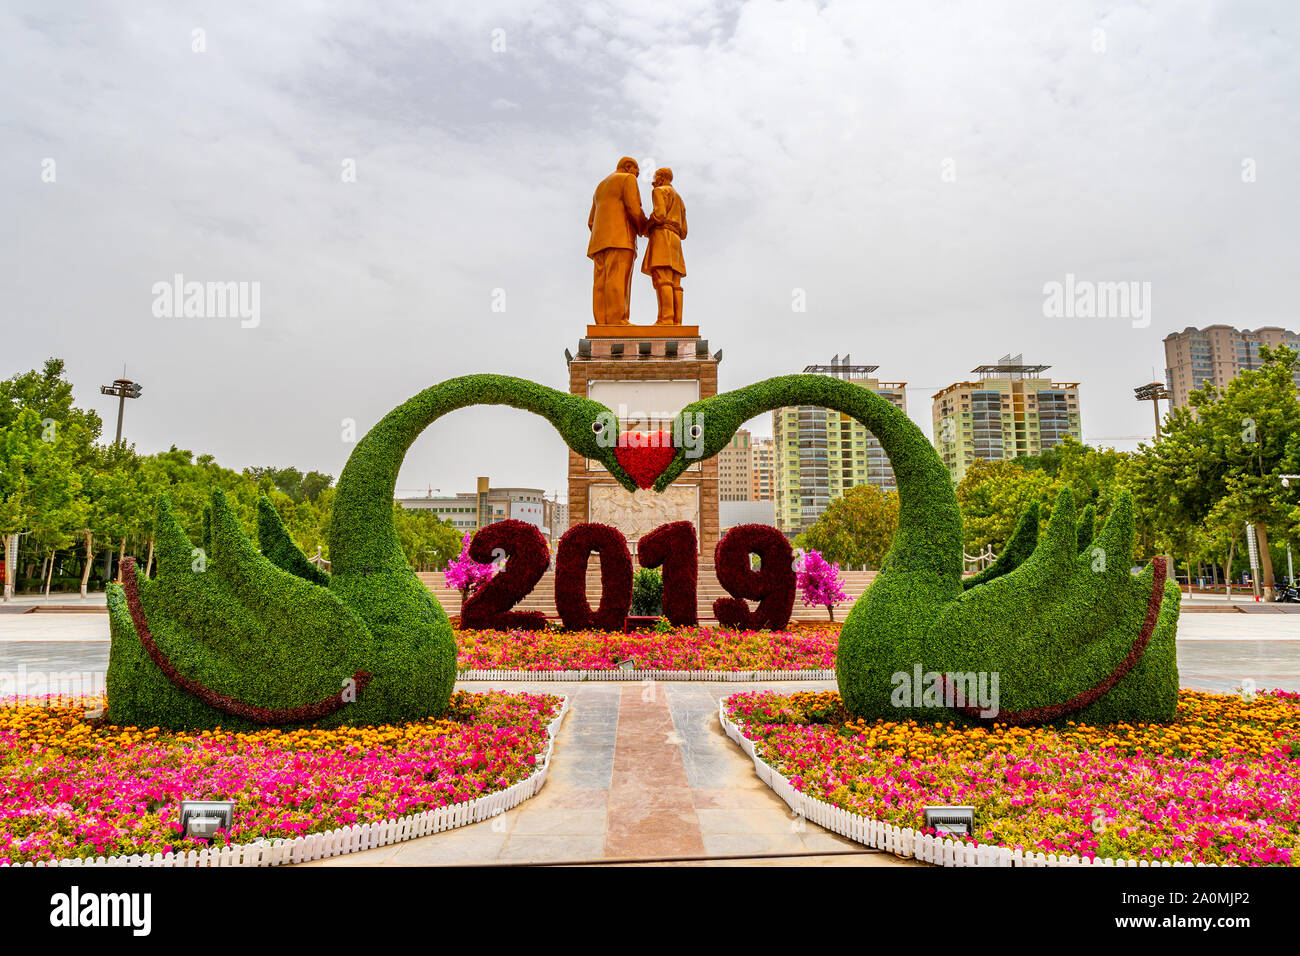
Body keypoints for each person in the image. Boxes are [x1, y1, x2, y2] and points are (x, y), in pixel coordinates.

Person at [587, 157, 646, 325]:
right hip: (620, 238)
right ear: (629, 167)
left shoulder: (600, 187)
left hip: (598, 242)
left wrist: (602, 234)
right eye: (636, 172)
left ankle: (602, 323)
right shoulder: (627, 178)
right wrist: (644, 228)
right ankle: (617, 321)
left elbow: (591, 221)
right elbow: (633, 208)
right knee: (617, 279)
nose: (637, 175)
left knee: (600, 284)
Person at [640, 167, 687, 325]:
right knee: (676, 283)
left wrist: (647, 226)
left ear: (661, 177)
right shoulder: (680, 200)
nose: (654, 180)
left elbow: (659, 214)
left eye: (655, 177)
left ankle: (665, 320)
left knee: (663, 279)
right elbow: (684, 232)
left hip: (662, 236)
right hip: (676, 241)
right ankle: (677, 322)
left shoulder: (659, 191)